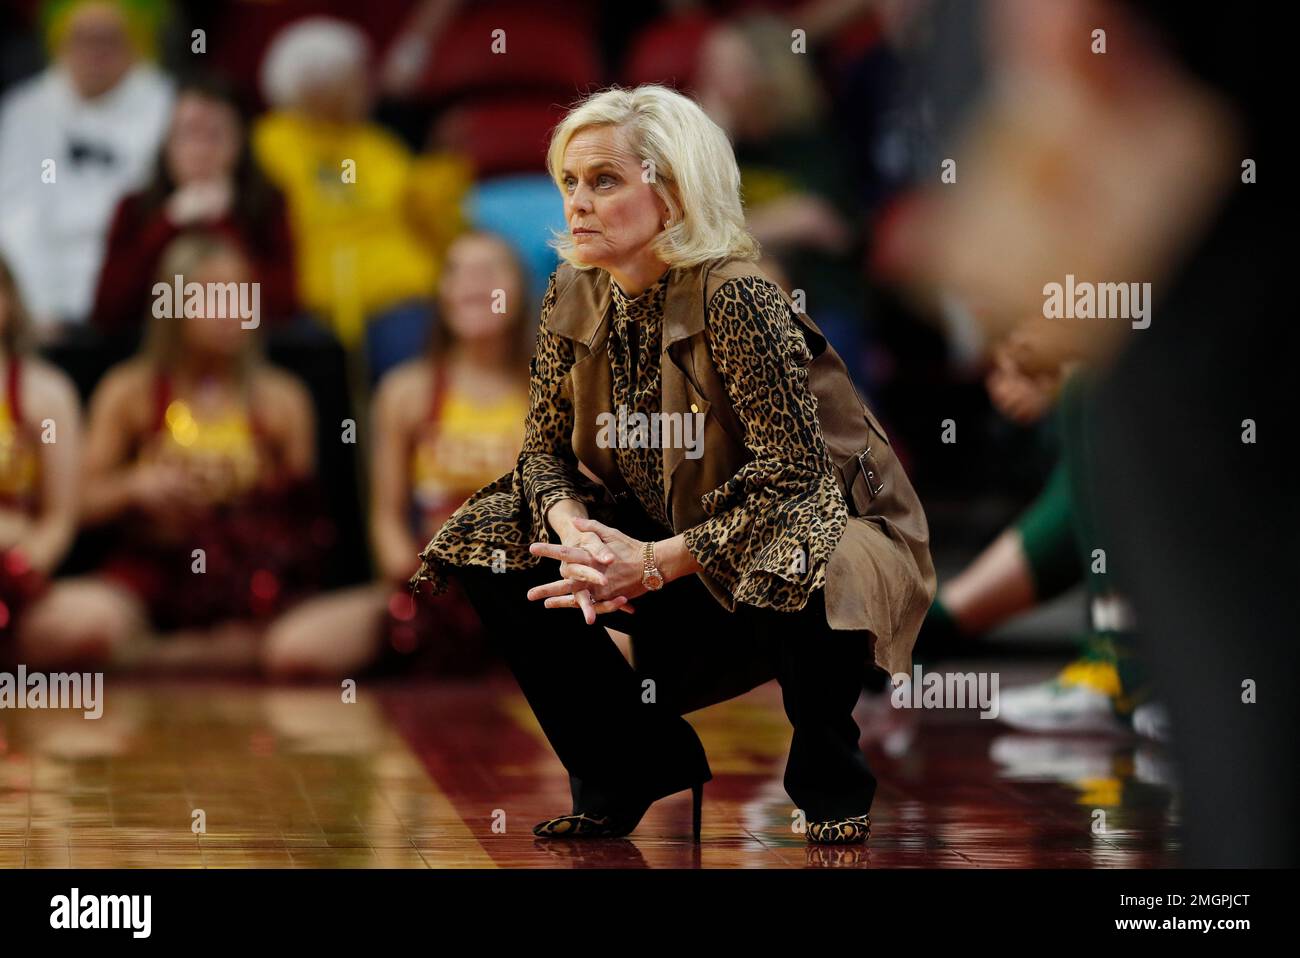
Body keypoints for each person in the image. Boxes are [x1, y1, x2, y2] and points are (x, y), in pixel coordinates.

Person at [409, 84, 935, 844]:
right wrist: (575, 529)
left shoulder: (737, 296)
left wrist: (653, 563)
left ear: (676, 193)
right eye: (570, 182)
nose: (577, 204)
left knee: (810, 545)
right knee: (496, 532)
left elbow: (797, 484)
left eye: (605, 181)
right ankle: (629, 763)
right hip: (666, 530)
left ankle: (830, 778)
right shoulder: (573, 286)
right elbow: (542, 450)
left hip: (818, 537)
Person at [17, 231, 329, 671]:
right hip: (149, 572)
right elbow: (78, 505)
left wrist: (248, 512)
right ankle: (190, 658)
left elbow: (306, 528)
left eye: (241, 295)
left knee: (296, 644)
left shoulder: (282, 400)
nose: (230, 313)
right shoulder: (129, 391)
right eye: (210, 298)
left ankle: (155, 661)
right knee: (77, 624)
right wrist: (134, 487)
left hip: (249, 591)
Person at [262, 230, 531, 678]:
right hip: (433, 586)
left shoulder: (555, 389)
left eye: (490, 271)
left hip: (528, 586)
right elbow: (386, 521)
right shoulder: (406, 392)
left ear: (520, 289)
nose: (474, 283)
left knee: (618, 648)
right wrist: (420, 580)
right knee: (294, 649)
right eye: (458, 272)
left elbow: (577, 511)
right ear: (441, 295)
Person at [0, 0, 173, 336]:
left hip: (140, 297)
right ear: (59, 44)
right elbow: (16, 214)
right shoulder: (26, 111)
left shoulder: (166, 105)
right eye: (82, 39)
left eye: (109, 39)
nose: (96, 52)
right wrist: (38, 305)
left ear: (135, 44)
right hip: (46, 303)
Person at [91, 73, 297, 337]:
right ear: (167, 143)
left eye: (215, 135)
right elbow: (109, 310)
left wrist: (223, 224)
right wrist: (169, 223)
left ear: (240, 144)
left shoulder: (267, 206)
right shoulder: (134, 208)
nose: (200, 150)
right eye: (189, 133)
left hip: (244, 353)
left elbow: (281, 310)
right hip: (152, 355)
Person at [0, 255, 83, 654]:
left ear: (9, 301)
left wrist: (19, 568)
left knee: (81, 625)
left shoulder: (46, 394)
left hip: (16, 573)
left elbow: (60, 518)